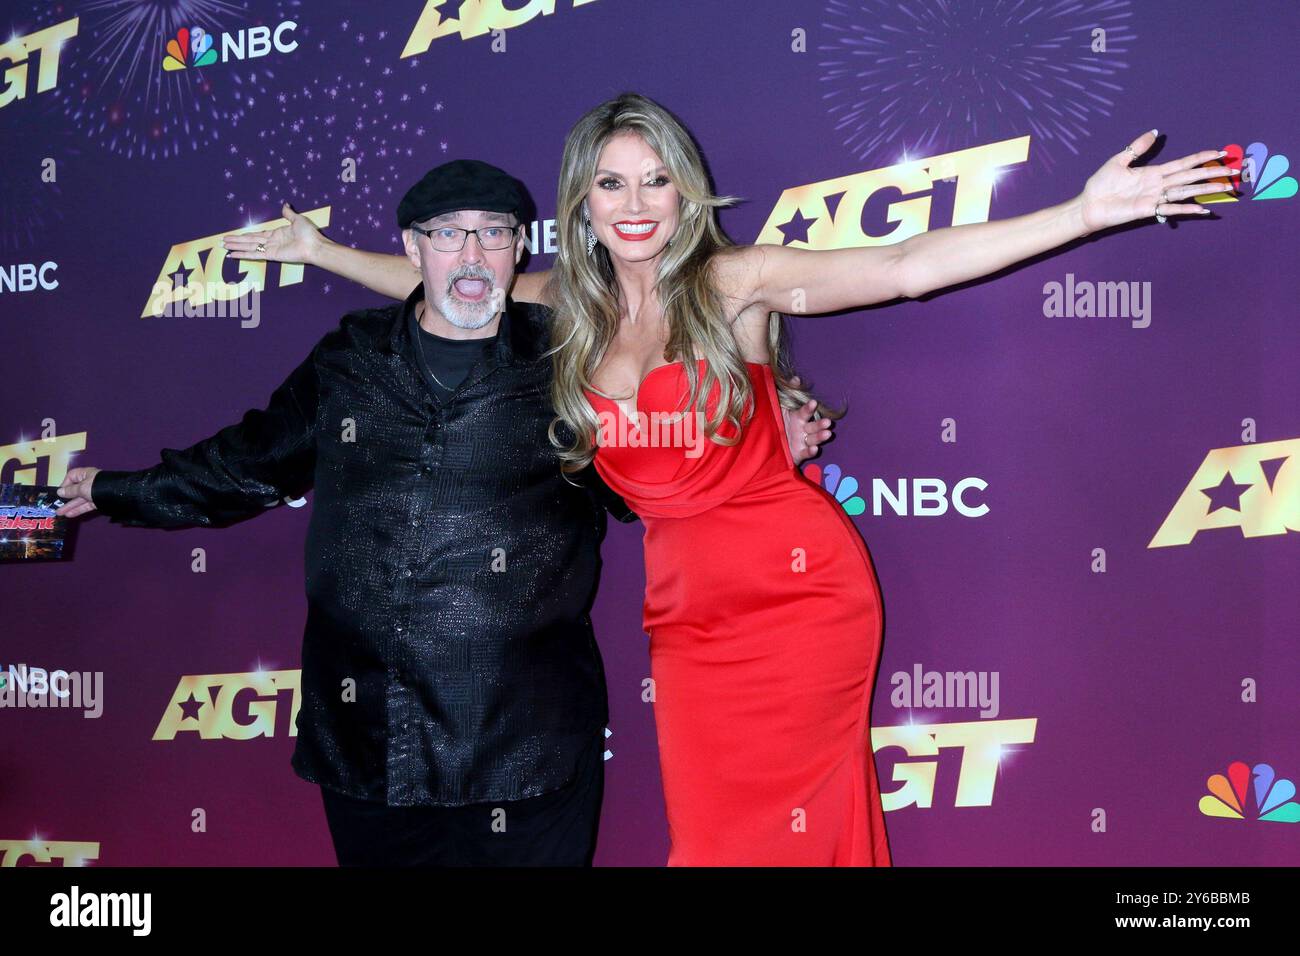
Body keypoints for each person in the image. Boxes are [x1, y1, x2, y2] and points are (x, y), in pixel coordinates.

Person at [225, 94, 1232, 866]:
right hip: (689, 615)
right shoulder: (558, 308)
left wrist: (1085, 213)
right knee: (716, 833)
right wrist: (318, 250)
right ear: (580, 199)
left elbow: (907, 265)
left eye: (654, 180)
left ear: (685, 191)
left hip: (797, 596)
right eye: (610, 183)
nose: (633, 205)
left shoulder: (735, 283)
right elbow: (433, 281)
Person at [57, 158, 837, 867]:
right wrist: (109, 490)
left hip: (525, 746)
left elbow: (652, 471)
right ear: (413, 247)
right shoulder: (350, 357)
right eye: (450, 235)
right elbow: (245, 465)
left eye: (495, 235)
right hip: (370, 741)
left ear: (519, 249)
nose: (473, 255)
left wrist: (766, 438)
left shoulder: (570, 361)